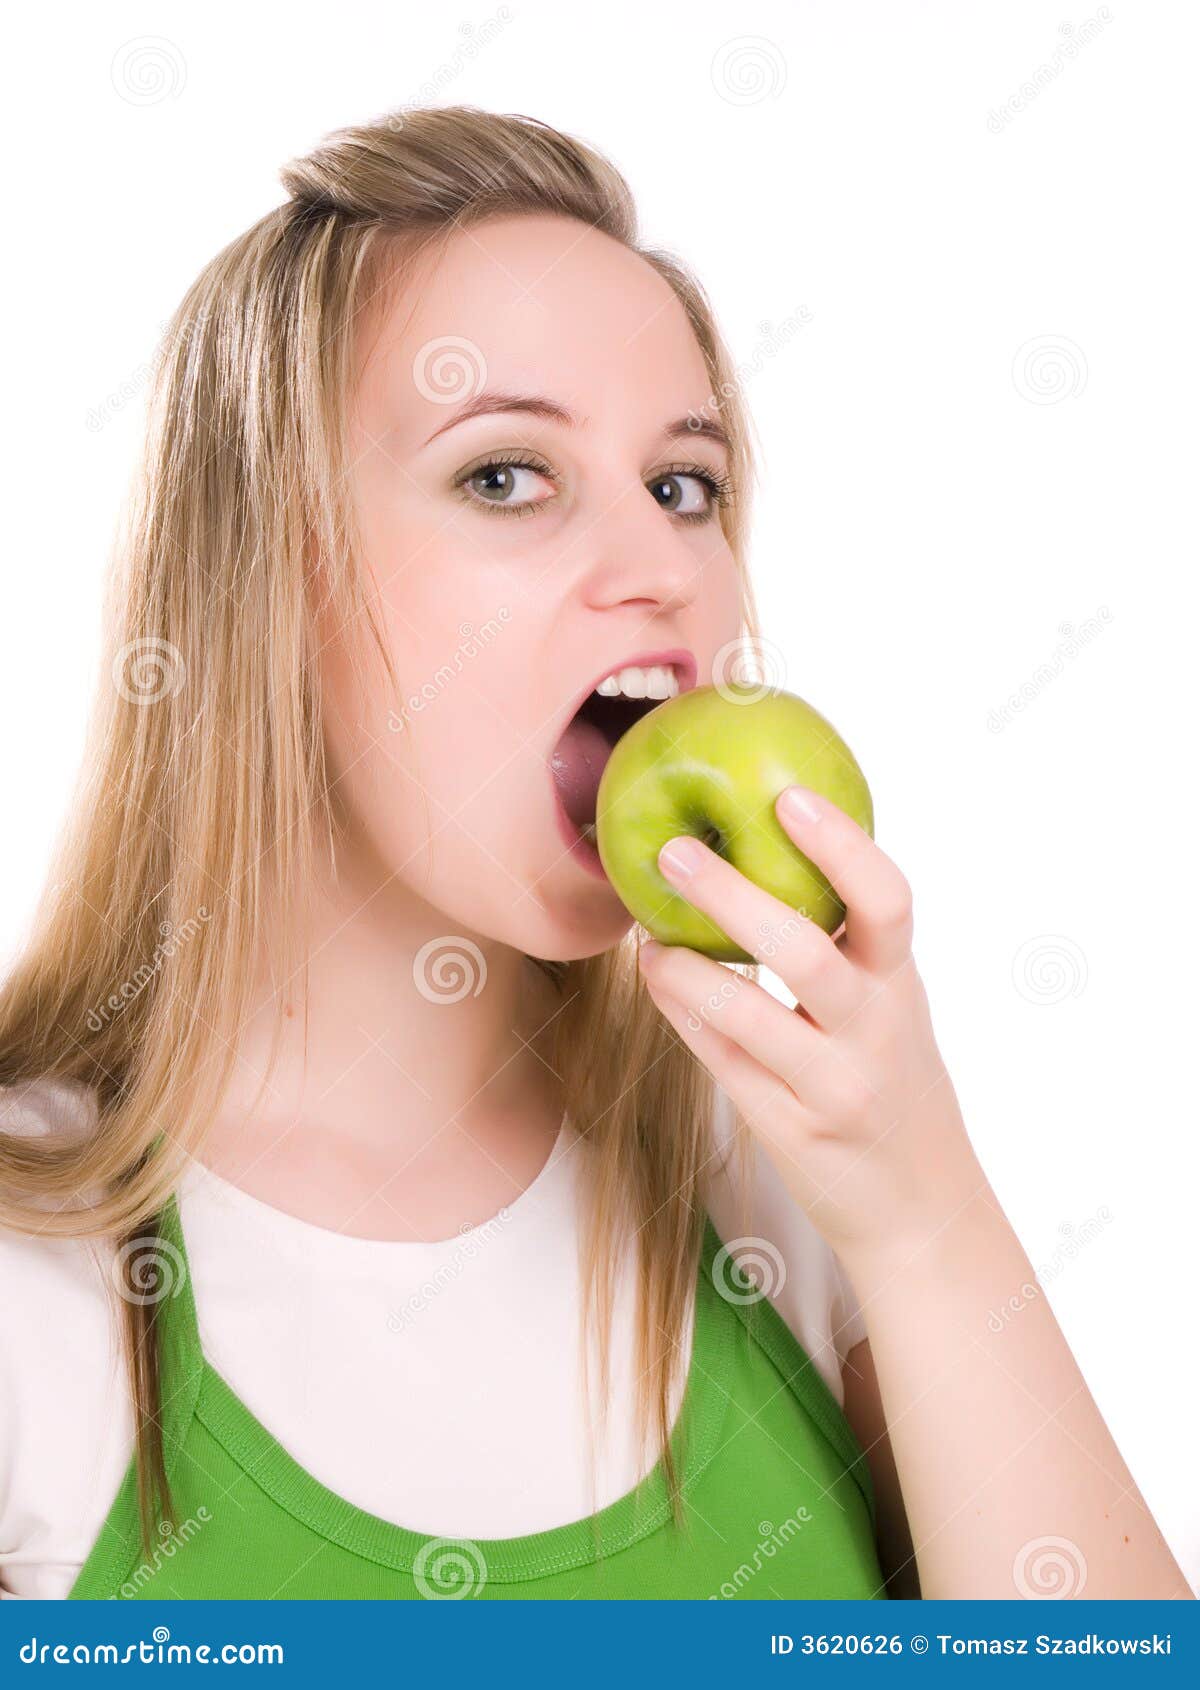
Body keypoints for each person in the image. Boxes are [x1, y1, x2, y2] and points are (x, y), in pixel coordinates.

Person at [0, 105, 1190, 1602]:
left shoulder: (784, 1203)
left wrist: (932, 1216)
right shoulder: (33, 1273)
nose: (660, 570)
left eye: (682, 485)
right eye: (505, 475)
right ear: (267, 588)